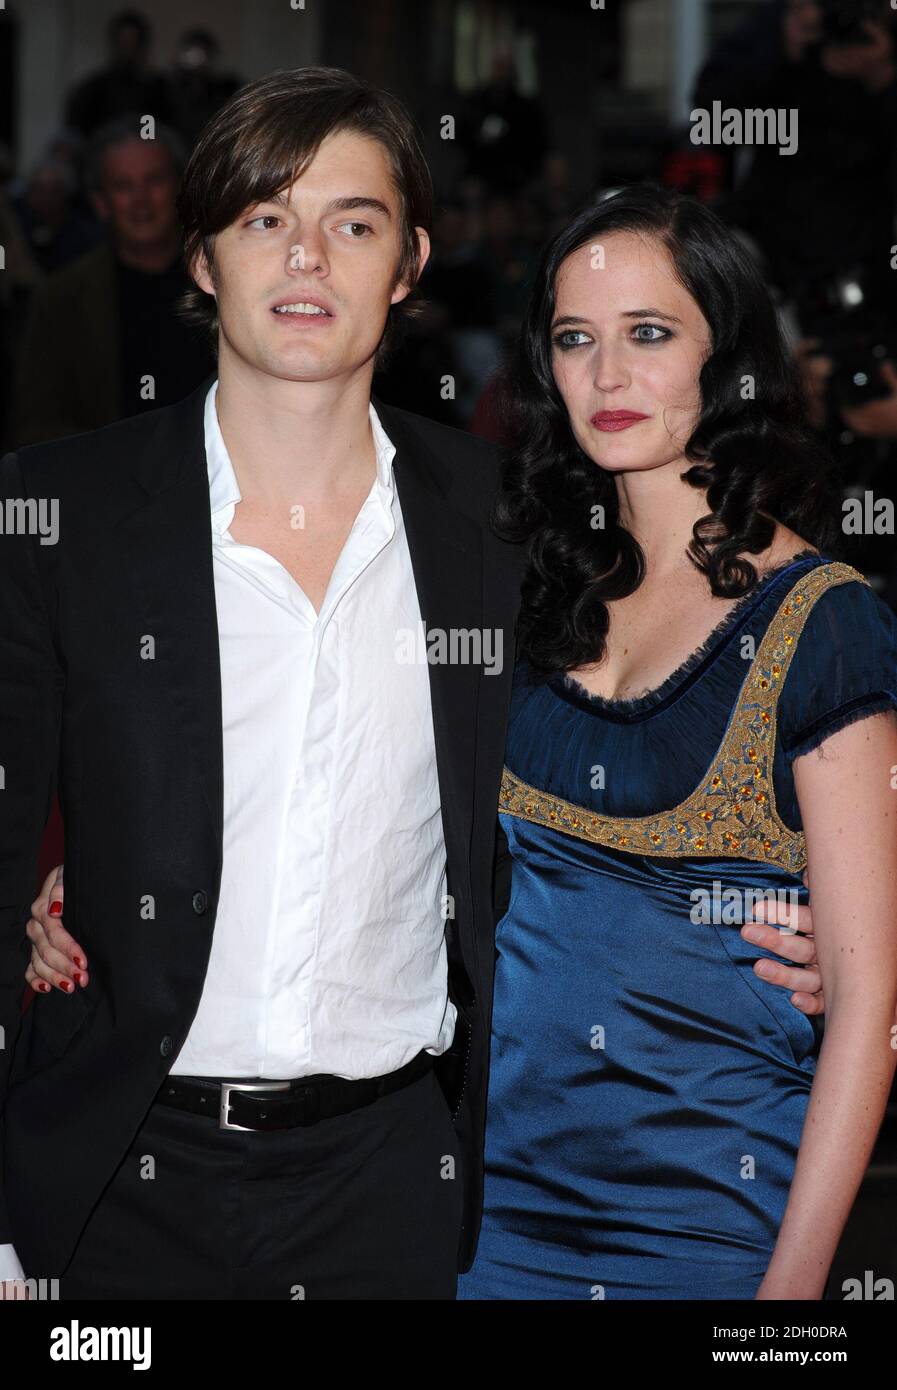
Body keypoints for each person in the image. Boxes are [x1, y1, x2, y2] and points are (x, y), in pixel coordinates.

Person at [0, 73, 825, 1302]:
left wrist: (782, 925)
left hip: (398, 1188)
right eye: (264, 218)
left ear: (410, 262)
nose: (307, 255)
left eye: (354, 220)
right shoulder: (57, 516)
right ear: (204, 260)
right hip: (113, 1178)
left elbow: (653, 734)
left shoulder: (507, 530)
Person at [455, 184, 897, 1300]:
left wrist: (789, 1302)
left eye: (649, 335)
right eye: (574, 339)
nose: (606, 376)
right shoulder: (529, 591)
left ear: (729, 358)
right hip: (486, 1221)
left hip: (707, 1233)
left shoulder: (822, 621)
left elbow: (867, 1005)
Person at [9, 119, 215, 447]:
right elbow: (37, 423)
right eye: (123, 186)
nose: (140, 200)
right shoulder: (62, 298)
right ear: (101, 203)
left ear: (181, 190)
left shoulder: (225, 281)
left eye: (154, 180)